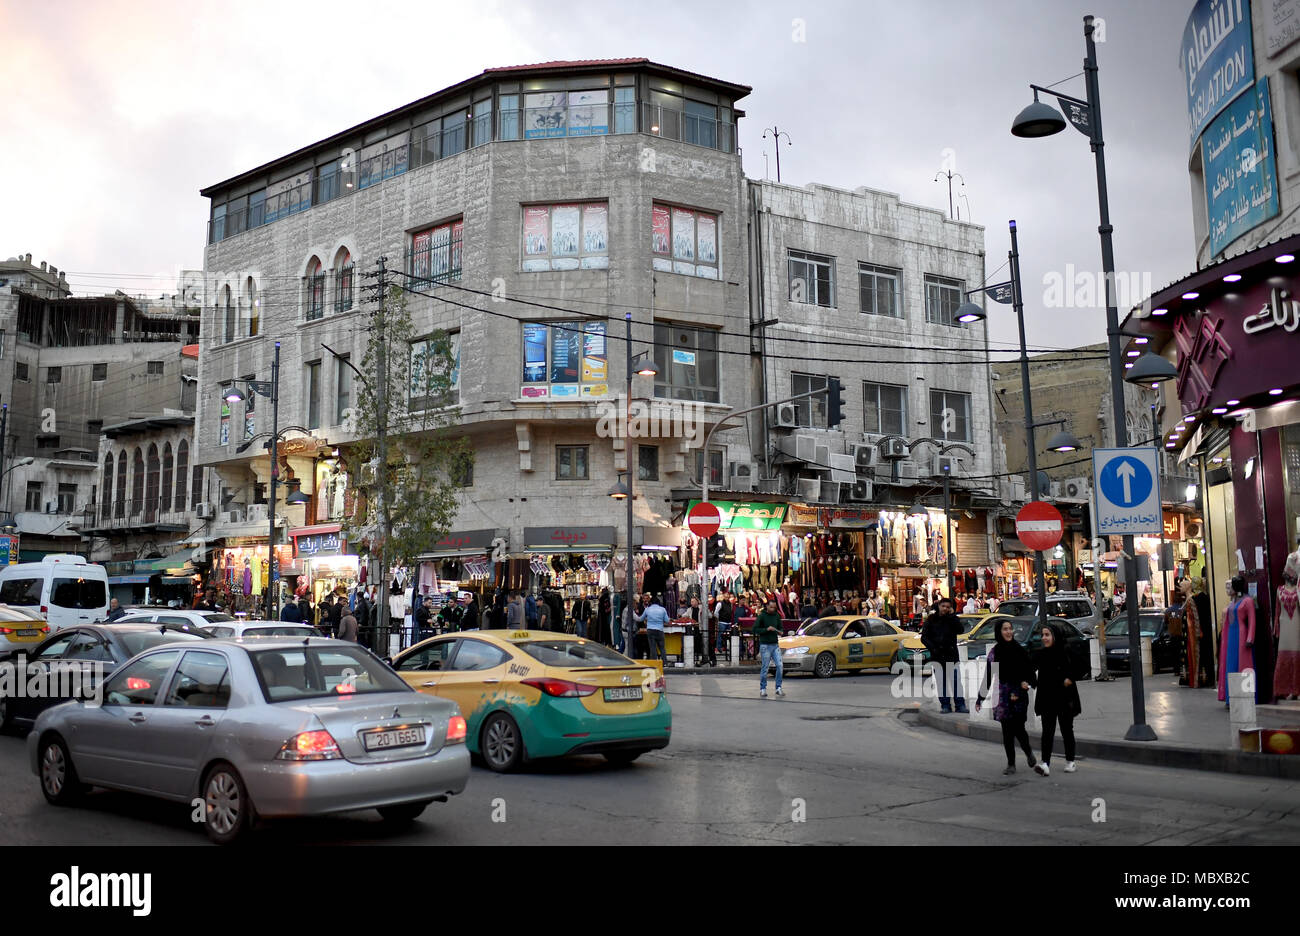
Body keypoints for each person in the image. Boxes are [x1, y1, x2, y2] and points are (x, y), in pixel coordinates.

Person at [975, 618, 1039, 775]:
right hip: (1002, 695)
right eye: (1005, 629)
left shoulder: (1019, 650)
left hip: (1019, 694)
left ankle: (1028, 751)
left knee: (1019, 728)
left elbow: (1030, 671)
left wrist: (1027, 683)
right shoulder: (995, 653)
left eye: (1010, 629)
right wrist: (980, 698)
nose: (1009, 632)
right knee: (1007, 731)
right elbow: (988, 676)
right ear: (999, 632)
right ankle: (1011, 764)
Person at [1033, 623, 1081, 775]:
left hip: (1064, 698)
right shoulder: (1041, 654)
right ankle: (1045, 763)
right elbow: (1031, 670)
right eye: (1043, 635)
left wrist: (1070, 678)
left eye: (1047, 635)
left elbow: (1082, 665)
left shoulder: (1065, 651)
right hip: (1047, 698)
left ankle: (1070, 761)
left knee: (1066, 729)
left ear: (1055, 636)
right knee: (1047, 731)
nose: (1044, 638)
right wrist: (1027, 682)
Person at [921, 597, 966, 713]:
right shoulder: (931, 619)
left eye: (947, 607)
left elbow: (960, 630)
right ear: (939, 606)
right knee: (942, 683)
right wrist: (934, 649)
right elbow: (924, 637)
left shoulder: (952, 619)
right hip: (938, 657)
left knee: (956, 682)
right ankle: (945, 705)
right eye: (943, 606)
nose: (945, 609)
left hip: (952, 655)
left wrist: (952, 616)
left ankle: (960, 705)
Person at [1219, 576, 1256, 705]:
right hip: (1231, 635)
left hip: (1241, 634)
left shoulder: (1248, 601)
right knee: (1231, 665)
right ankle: (1231, 698)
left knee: (1243, 665)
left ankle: (1245, 697)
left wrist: (1250, 637)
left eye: (1235, 584)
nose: (1233, 586)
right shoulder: (1233, 601)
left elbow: (1252, 621)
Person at [754, 598, 784, 698]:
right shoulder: (762, 615)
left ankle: (778, 687)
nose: (772, 609)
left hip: (775, 644)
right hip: (765, 645)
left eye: (774, 607)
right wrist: (766, 629)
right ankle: (763, 688)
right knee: (765, 667)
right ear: (767, 606)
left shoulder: (776, 616)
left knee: (780, 665)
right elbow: (755, 629)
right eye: (771, 607)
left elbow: (780, 627)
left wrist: (780, 631)